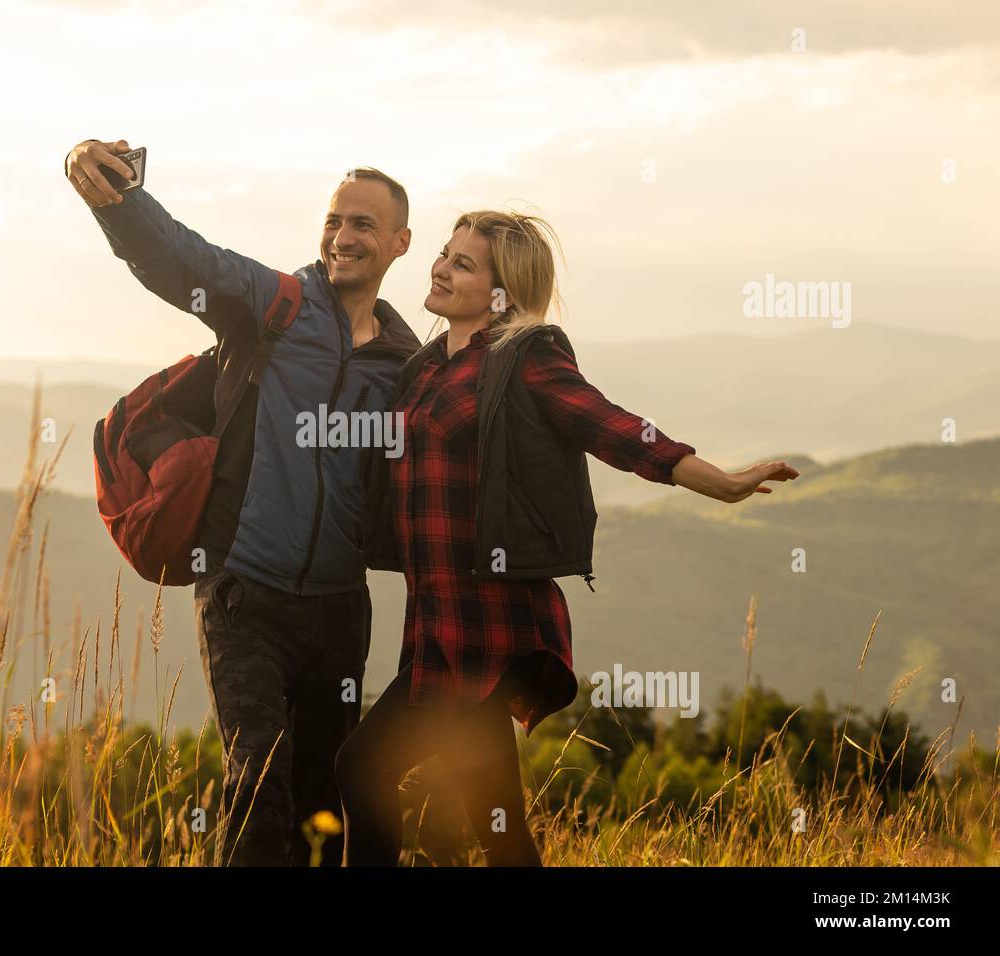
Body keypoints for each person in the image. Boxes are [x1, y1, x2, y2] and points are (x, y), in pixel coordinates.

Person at [336, 209, 799, 866]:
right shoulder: (423, 367)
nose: (440, 266)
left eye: (462, 263)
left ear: (502, 292)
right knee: (497, 825)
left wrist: (716, 481)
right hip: (434, 625)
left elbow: (609, 425)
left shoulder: (523, 354)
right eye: (444, 253)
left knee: (364, 767)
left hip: (488, 625)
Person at [66, 139, 421, 865]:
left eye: (362, 225)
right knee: (258, 776)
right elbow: (183, 260)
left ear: (399, 244)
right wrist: (119, 200)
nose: (342, 237)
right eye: (334, 220)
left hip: (338, 607)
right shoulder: (277, 306)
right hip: (242, 591)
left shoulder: (403, 365)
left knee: (326, 794)